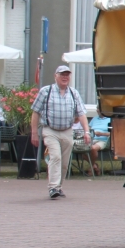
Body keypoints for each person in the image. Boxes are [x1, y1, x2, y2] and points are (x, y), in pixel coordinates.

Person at [31, 65, 91, 199]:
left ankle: (59, 187)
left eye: (67, 75)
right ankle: (53, 187)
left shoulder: (73, 93)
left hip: (67, 131)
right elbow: (35, 112)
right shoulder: (46, 91)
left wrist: (87, 132)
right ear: (55, 76)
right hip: (50, 130)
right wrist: (34, 133)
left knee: (64, 162)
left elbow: (81, 114)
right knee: (55, 157)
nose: (65, 77)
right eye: (62, 74)